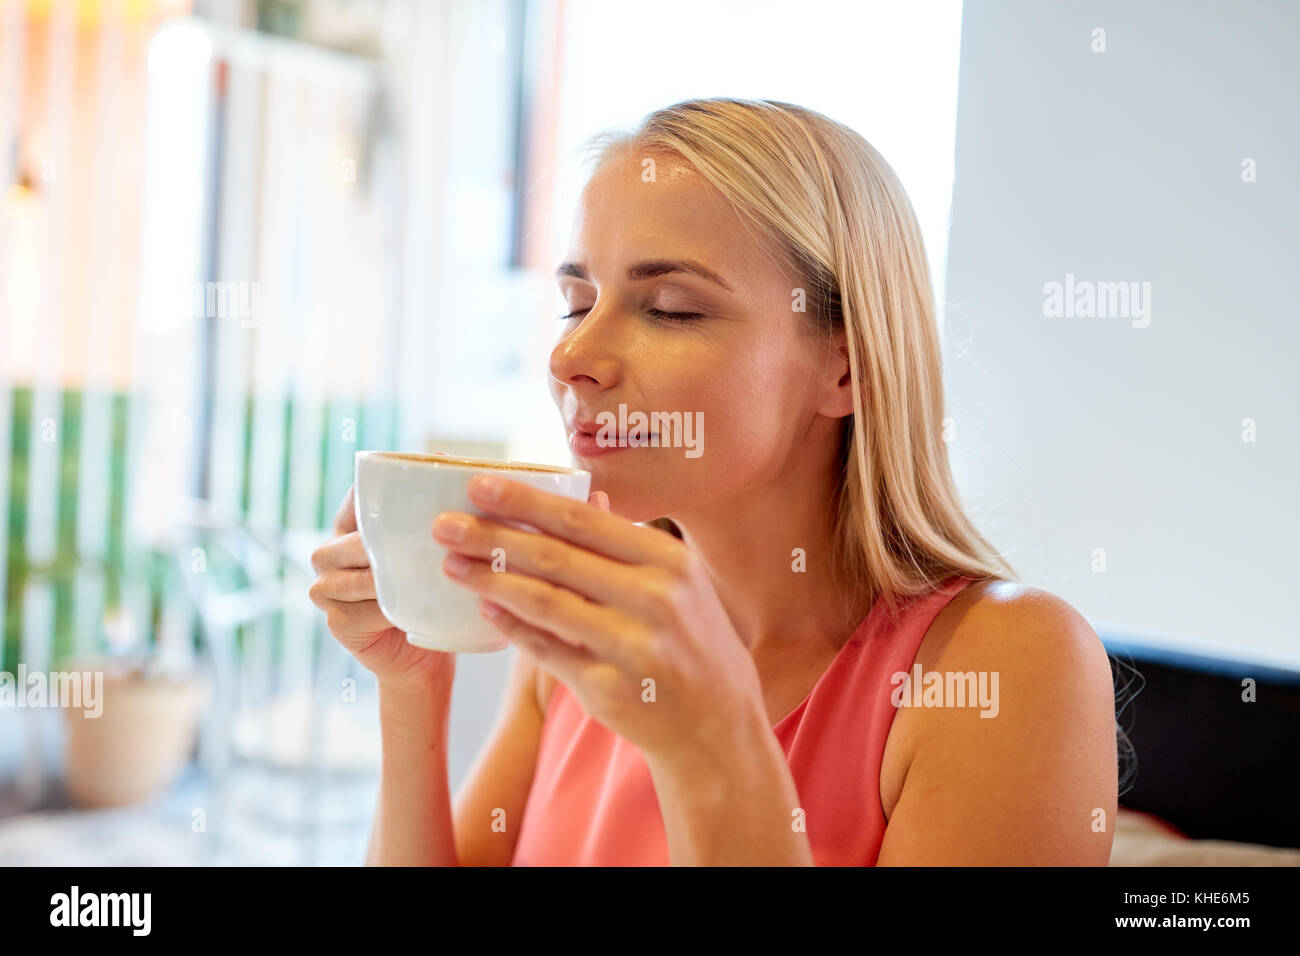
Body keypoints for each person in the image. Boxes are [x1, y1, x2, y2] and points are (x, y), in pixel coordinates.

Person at [309, 98, 1119, 866]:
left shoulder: (1009, 666)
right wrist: (411, 685)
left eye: (668, 308)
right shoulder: (588, 628)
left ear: (848, 366)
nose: (569, 359)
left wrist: (713, 747)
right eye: (576, 303)